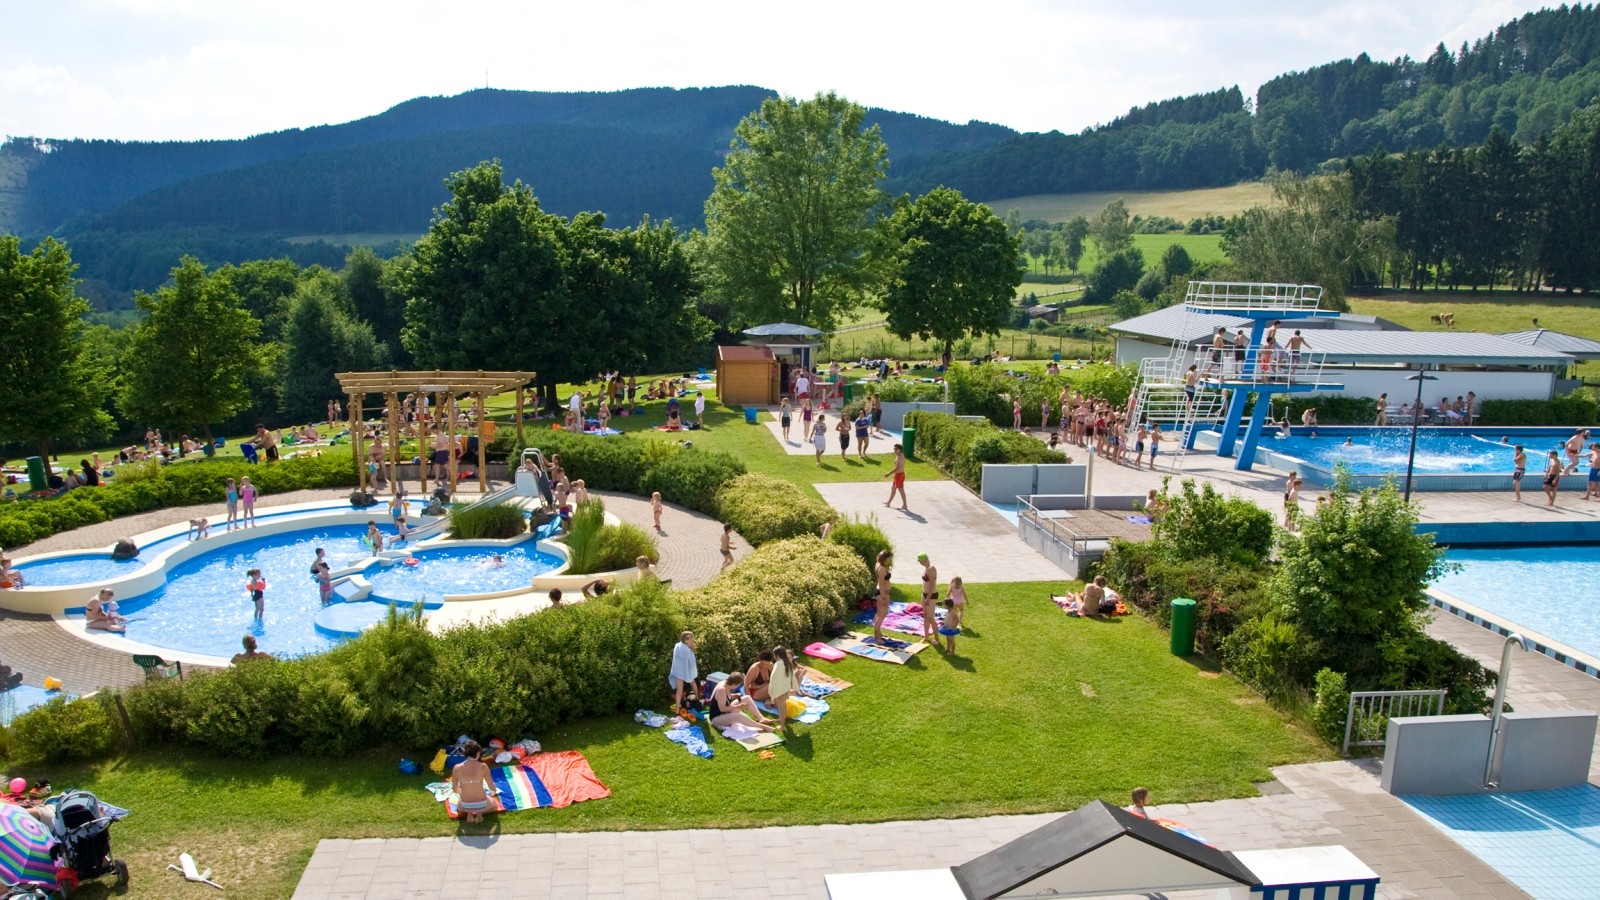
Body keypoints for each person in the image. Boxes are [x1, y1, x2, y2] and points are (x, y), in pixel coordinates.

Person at [708, 673, 777, 733]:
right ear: (734, 684)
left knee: (747, 698)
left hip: (725, 713)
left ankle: (762, 719)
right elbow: (722, 709)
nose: (737, 687)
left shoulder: (725, 683)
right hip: (716, 718)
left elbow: (721, 698)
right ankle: (763, 727)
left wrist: (732, 695)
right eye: (738, 685)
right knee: (738, 716)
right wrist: (738, 706)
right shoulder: (722, 690)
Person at [451, 740, 494, 825]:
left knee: (461, 802)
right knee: (493, 803)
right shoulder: (483, 766)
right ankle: (479, 814)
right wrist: (493, 792)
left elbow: (455, 789)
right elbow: (491, 785)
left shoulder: (457, 767)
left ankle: (469, 814)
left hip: (465, 804)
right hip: (481, 803)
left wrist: (463, 791)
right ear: (478, 753)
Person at [768, 646, 799, 728]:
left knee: (780, 707)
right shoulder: (788, 663)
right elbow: (791, 676)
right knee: (783, 704)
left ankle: (782, 726)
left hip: (780, 688)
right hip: (785, 687)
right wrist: (793, 686)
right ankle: (783, 718)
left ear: (777, 655)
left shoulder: (778, 664)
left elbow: (774, 677)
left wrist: (773, 688)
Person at [670, 630, 700, 709]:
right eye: (691, 640)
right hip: (686, 672)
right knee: (693, 683)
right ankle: (697, 698)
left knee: (679, 691)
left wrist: (690, 648)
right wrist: (692, 650)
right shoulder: (687, 650)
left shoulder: (677, 645)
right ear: (686, 640)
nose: (692, 641)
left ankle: (677, 709)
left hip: (678, 672)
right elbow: (692, 662)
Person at [872, 549, 893, 643]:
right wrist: (883, 596)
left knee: (879, 614)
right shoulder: (882, 569)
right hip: (882, 593)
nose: (890, 560)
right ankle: (876, 637)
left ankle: (878, 633)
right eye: (889, 558)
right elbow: (881, 583)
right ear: (885, 558)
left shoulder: (878, 564)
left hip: (881, 592)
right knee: (881, 615)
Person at [917, 552, 939, 639]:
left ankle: (937, 638)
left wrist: (928, 598)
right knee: (925, 616)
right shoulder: (927, 568)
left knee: (930, 617)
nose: (920, 563)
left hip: (931, 595)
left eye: (921, 562)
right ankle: (926, 636)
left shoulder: (931, 569)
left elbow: (932, 585)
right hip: (925, 594)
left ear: (925, 560)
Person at [884, 443, 908, 510]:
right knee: (893, 488)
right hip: (897, 475)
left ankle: (905, 505)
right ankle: (889, 502)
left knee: (901, 490)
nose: (894, 450)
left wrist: (889, 473)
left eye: (896, 449)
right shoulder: (898, 455)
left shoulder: (900, 457)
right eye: (894, 449)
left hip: (900, 475)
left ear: (900, 449)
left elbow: (897, 468)